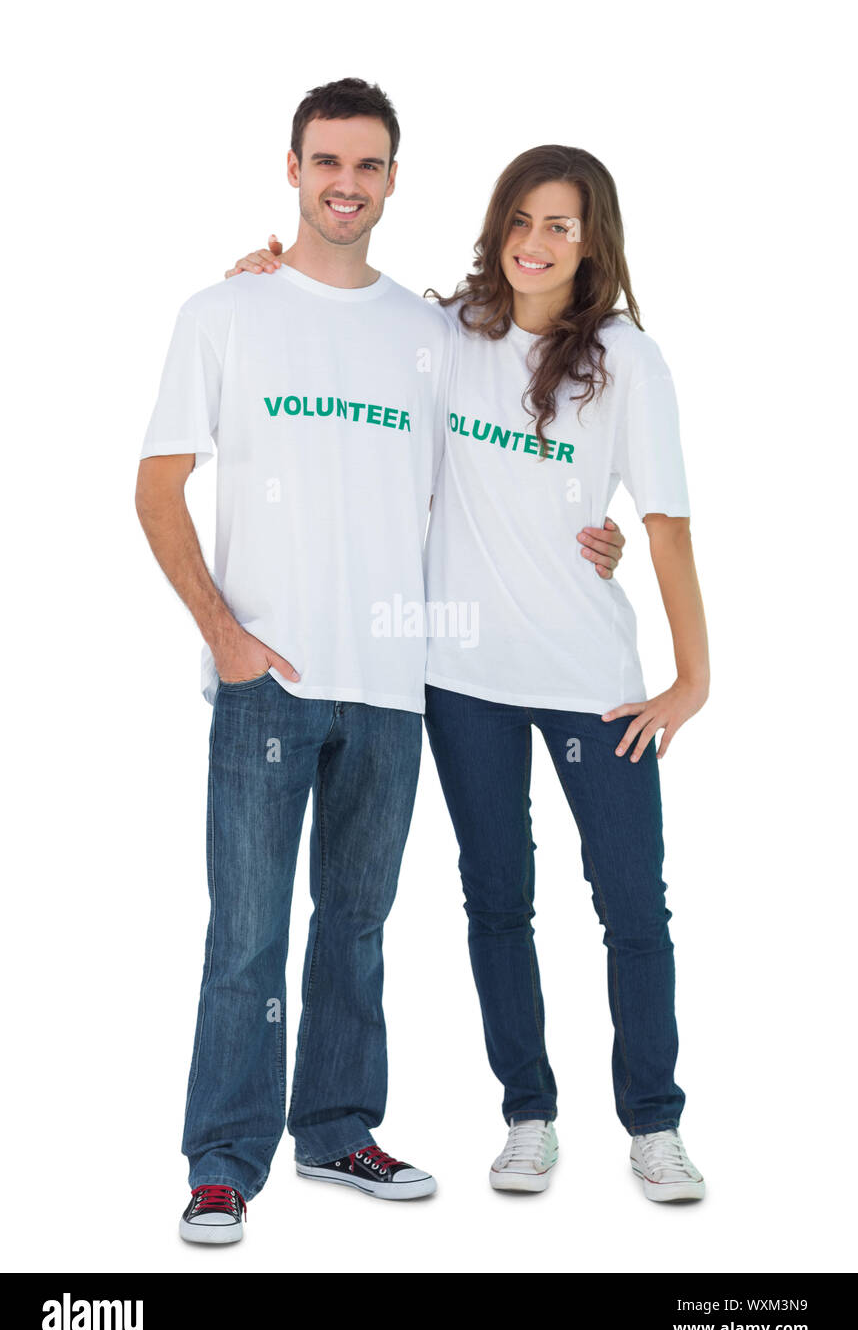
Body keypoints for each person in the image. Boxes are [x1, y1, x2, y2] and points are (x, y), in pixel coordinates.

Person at [226, 142, 707, 1204]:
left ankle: (654, 1126)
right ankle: (527, 1116)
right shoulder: (450, 336)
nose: (534, 244)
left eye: (560, 227)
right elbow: (344, 327)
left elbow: (662, 524)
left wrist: (690, 679)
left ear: (594, 244)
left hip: (593, 679)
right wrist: (267, 269)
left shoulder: (629, 359)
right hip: (460, 677)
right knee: (496, 900)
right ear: (498, 226)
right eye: (520, 221)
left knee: (632, 903)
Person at [137, 78, 460, 1244]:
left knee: (356, 924)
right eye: (327, 160)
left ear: (389, 178)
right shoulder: (225, 312)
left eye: (367, 165)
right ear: (291, 167)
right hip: (265, 680)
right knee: (246, 933)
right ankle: (222, 1161)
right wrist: (223, 636)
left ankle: (334, 1128)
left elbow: (481, 478)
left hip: (392, 683)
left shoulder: (430, 335)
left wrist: (597, 530)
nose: (346, 183)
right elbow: (156, 484)